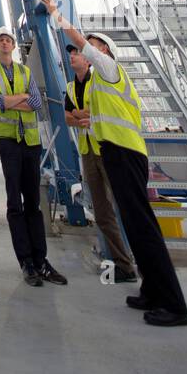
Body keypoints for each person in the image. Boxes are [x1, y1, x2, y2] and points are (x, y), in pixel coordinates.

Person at [44, 0, 187, 327]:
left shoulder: (109, 70)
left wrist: (57, 15)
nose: (85, 51)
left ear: (104, 51)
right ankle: (152, 291)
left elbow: (79, 41)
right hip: (114, 152)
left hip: (125, 153)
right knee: (136, 226)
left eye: (92, 46)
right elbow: (97, 118)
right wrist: (85, 120)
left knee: (144, 227)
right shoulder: (96, 85)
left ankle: (173, 304)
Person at [0, 26, 67, 287]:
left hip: (30, 143)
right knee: (15, 205)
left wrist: (14, 100)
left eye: (8, 40)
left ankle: (41, 260)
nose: (5, 44)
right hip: (9, 143)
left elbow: (36, 103)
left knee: (33, 204)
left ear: (13, 45)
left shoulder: (24, 71)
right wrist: (21, 98)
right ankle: (26, 263)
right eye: (1, 41)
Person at [65, 43, 137, 283]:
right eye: (72, 54)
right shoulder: (70, 86)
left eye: (77, 52)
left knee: (126, 207)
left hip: (111, 149)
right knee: (102, 212)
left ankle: (141, 260)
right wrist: (80, 115)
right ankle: (123, 264)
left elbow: (92, 112)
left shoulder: (102, 79)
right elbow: (68, 117)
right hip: (88, 152)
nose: (73, 56)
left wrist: (82, 114)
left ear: (89, 59)